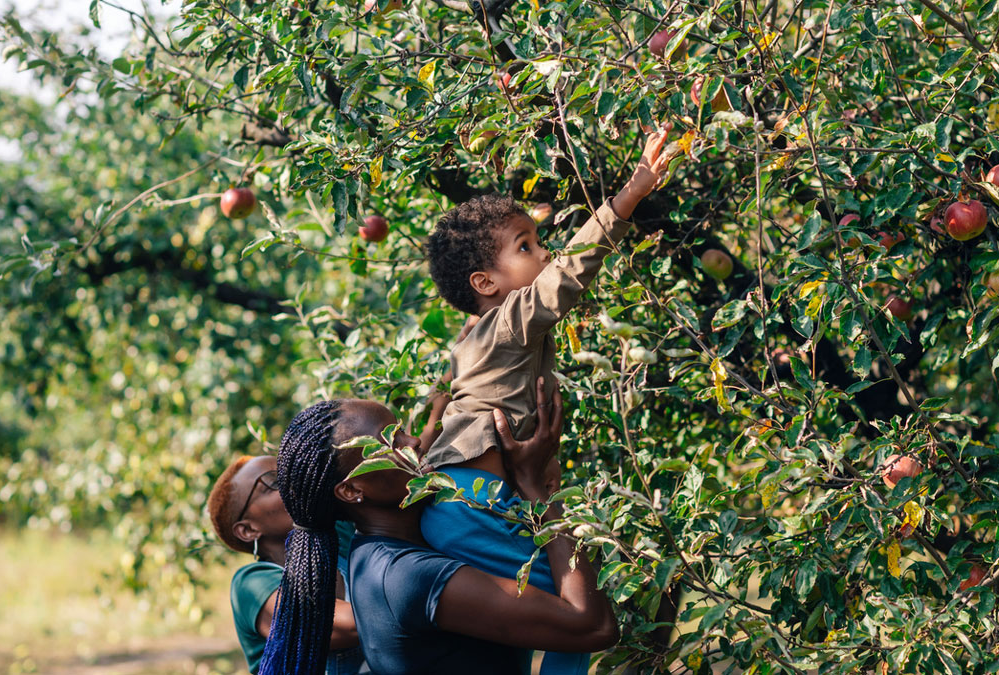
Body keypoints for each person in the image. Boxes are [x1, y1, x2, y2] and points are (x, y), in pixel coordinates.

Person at [420, 125, 677, 672]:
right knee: (601, 596)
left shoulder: (474, 338)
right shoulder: (507, 324)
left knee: (581, 603)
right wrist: (630, 194)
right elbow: (566, 277)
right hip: (475, 502)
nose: (545, 253)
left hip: (474, 502)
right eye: (526, 247)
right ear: (486, 283)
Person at [258, 378, 618, 675]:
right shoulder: (405, 576)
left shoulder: (379, 550)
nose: (414, 443)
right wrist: (539, 490)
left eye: (403, 432)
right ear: (353, 490)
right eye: (391, 444)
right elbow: (592, 626)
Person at [208, 455, 364, 674]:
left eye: (289, 471)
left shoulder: (337, 534)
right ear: (248, 530)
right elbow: (350, 626)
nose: (293, 481)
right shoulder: (251, 584)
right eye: (273, 482)